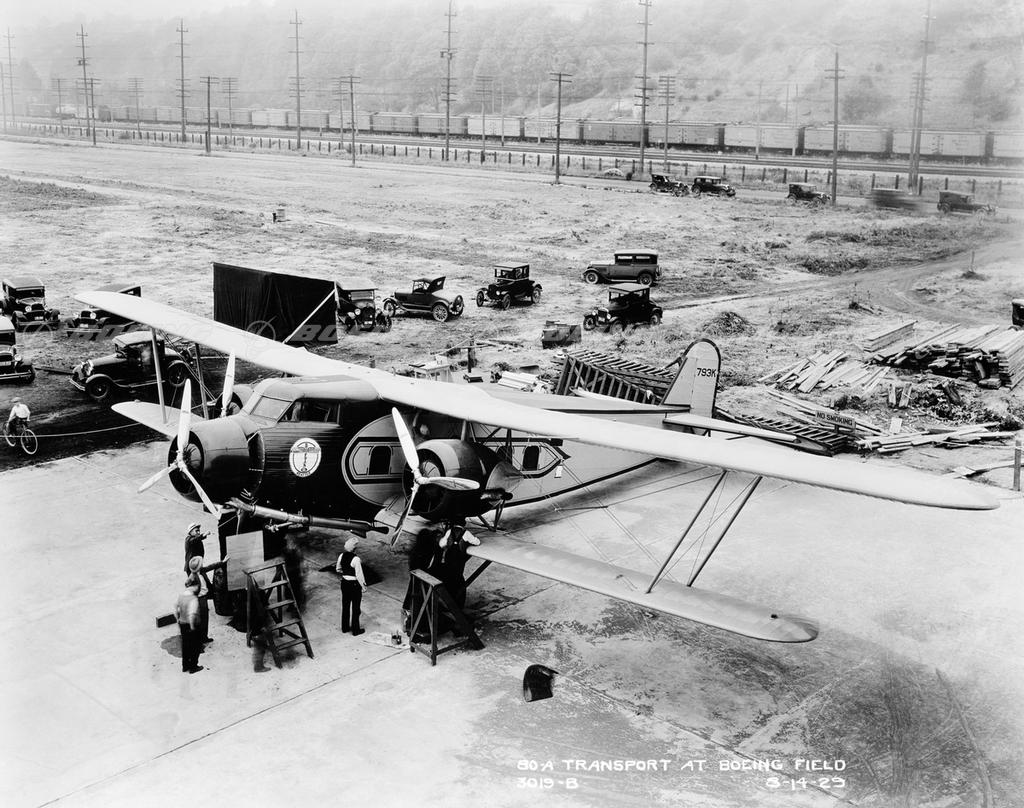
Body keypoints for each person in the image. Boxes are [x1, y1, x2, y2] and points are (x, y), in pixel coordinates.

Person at [335, 536, 367, 635]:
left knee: (345, 606)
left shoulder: (341, 556)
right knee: (356, 608)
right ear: (354, 549)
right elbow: (359, 575)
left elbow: (338, 569)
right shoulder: (356, 559)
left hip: (344, 583)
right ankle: (356, 630)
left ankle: (345, 628)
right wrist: (364, 586)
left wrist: (345, 573)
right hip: (354, 585)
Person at [175, 578, 203, 674]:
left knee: (185, 646)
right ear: (195, 586)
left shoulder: (181, 596)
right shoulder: (193, 599)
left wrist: (178, 619)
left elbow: (176, 609)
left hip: (182, 623)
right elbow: (192, 614)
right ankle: (193, 667)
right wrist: (192, 626)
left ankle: (185, 666)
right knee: (195, 646)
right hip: (190, 624)